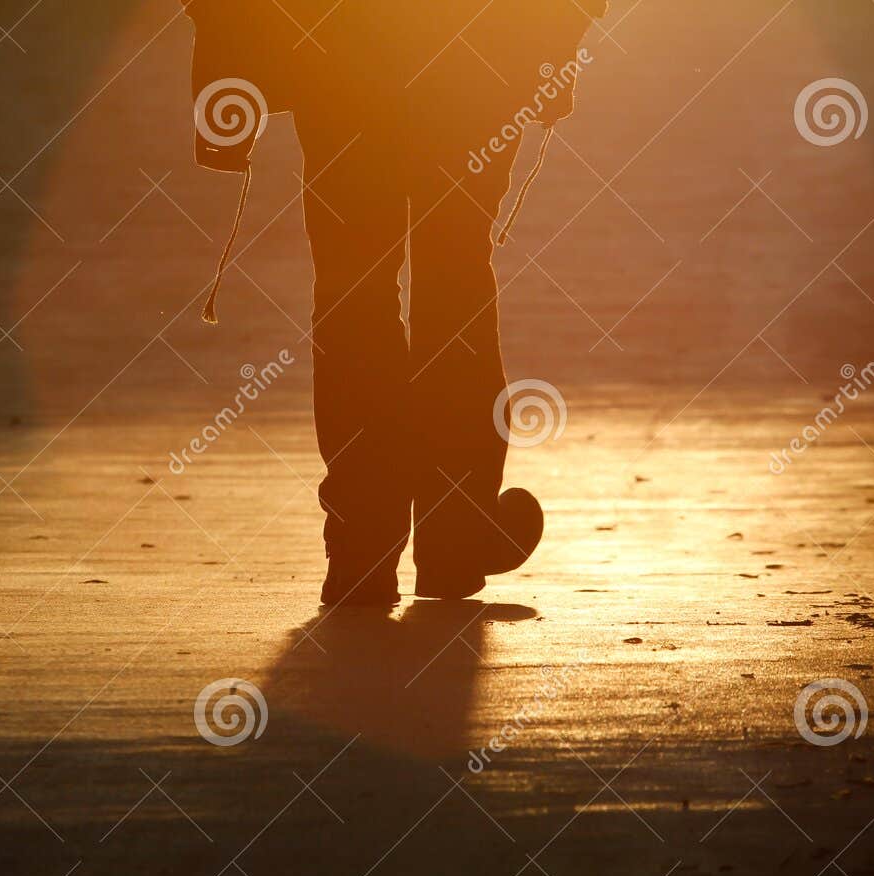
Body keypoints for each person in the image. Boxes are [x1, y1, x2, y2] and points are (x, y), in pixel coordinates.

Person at [183, 2, 606, 605]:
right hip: (478, 55)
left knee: (354, 289)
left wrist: (227, 75)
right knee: (455, 277)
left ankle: (361, 548)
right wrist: (555, 45)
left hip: (338, 52)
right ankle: (455, 537)